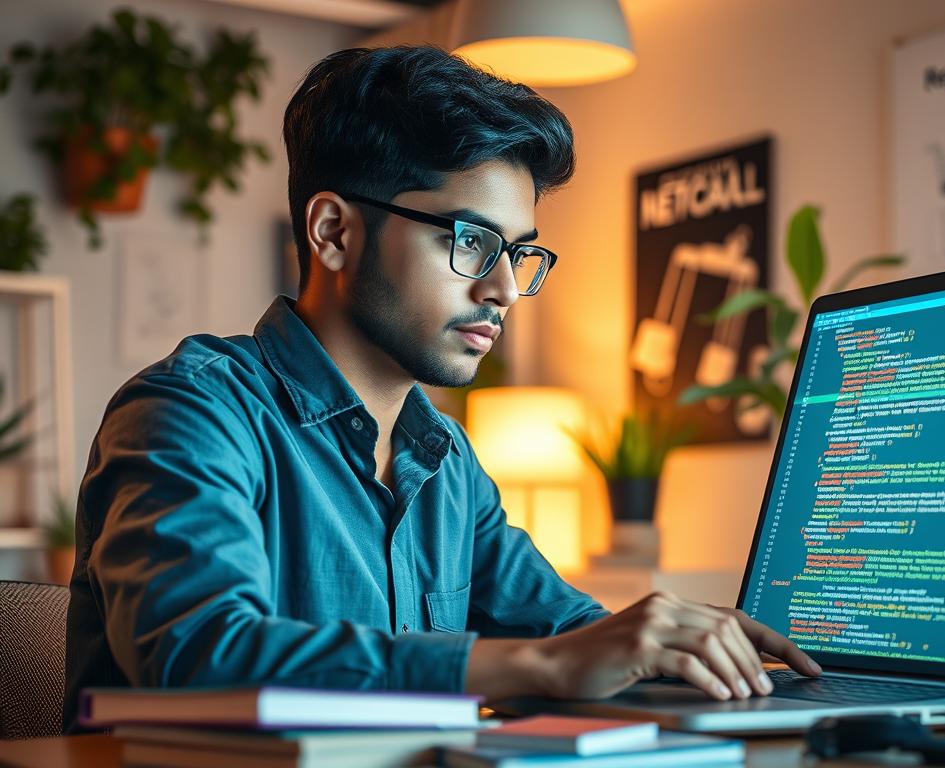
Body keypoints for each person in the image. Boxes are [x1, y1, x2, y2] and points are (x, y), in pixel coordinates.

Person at [63, 45, 818, 733]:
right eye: (470, 241)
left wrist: (681, 645)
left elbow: (566, 636)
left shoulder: (446, 461)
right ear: (333, 233)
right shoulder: (189, 410)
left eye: (518, 254)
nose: (504, 291)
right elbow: (197, 653)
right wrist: (542, 667)